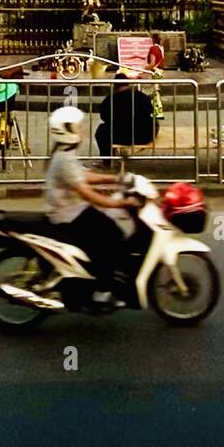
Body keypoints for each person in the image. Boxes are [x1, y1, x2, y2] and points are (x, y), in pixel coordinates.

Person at [44, 106, 136, 306]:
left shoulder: (63, 153)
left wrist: (115, 179)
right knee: (112, 235)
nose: (81, 131)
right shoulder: (63, 159)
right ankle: (102, 288)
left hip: (71, 210)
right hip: (68, 215)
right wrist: (121, 202)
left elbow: (83, 176)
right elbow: (88, 194)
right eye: (77, 127)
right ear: (67, 131)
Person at [94, 75, 157, 158]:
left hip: (121, 136)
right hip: (144, 135)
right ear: (128, 84)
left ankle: (107, 161)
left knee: (101, 132)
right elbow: (150, 111)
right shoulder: (141, 96)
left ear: (115, 85)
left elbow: (104, 117)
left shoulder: (110, 99)